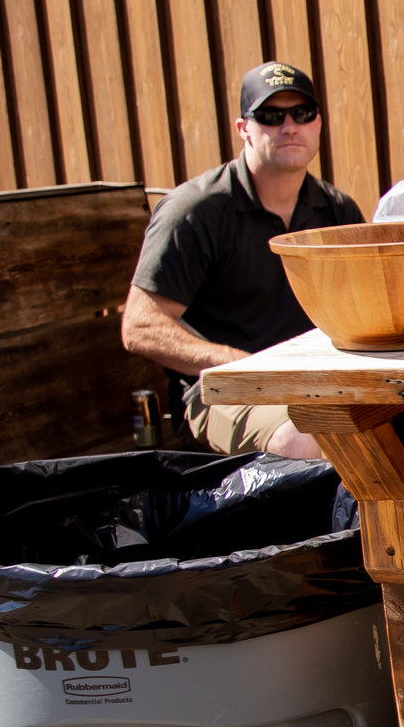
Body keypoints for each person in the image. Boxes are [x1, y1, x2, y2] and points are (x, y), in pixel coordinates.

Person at [121, 62, 362, 459]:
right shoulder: (196, 211)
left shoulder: (337, 211)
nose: (289, 126)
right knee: (306, 438)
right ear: (243, 128)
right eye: (270, 115)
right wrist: (246, 367)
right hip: (219, 392)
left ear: (318, 123)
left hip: (316, 381)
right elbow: (140, 326)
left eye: (302, 113)